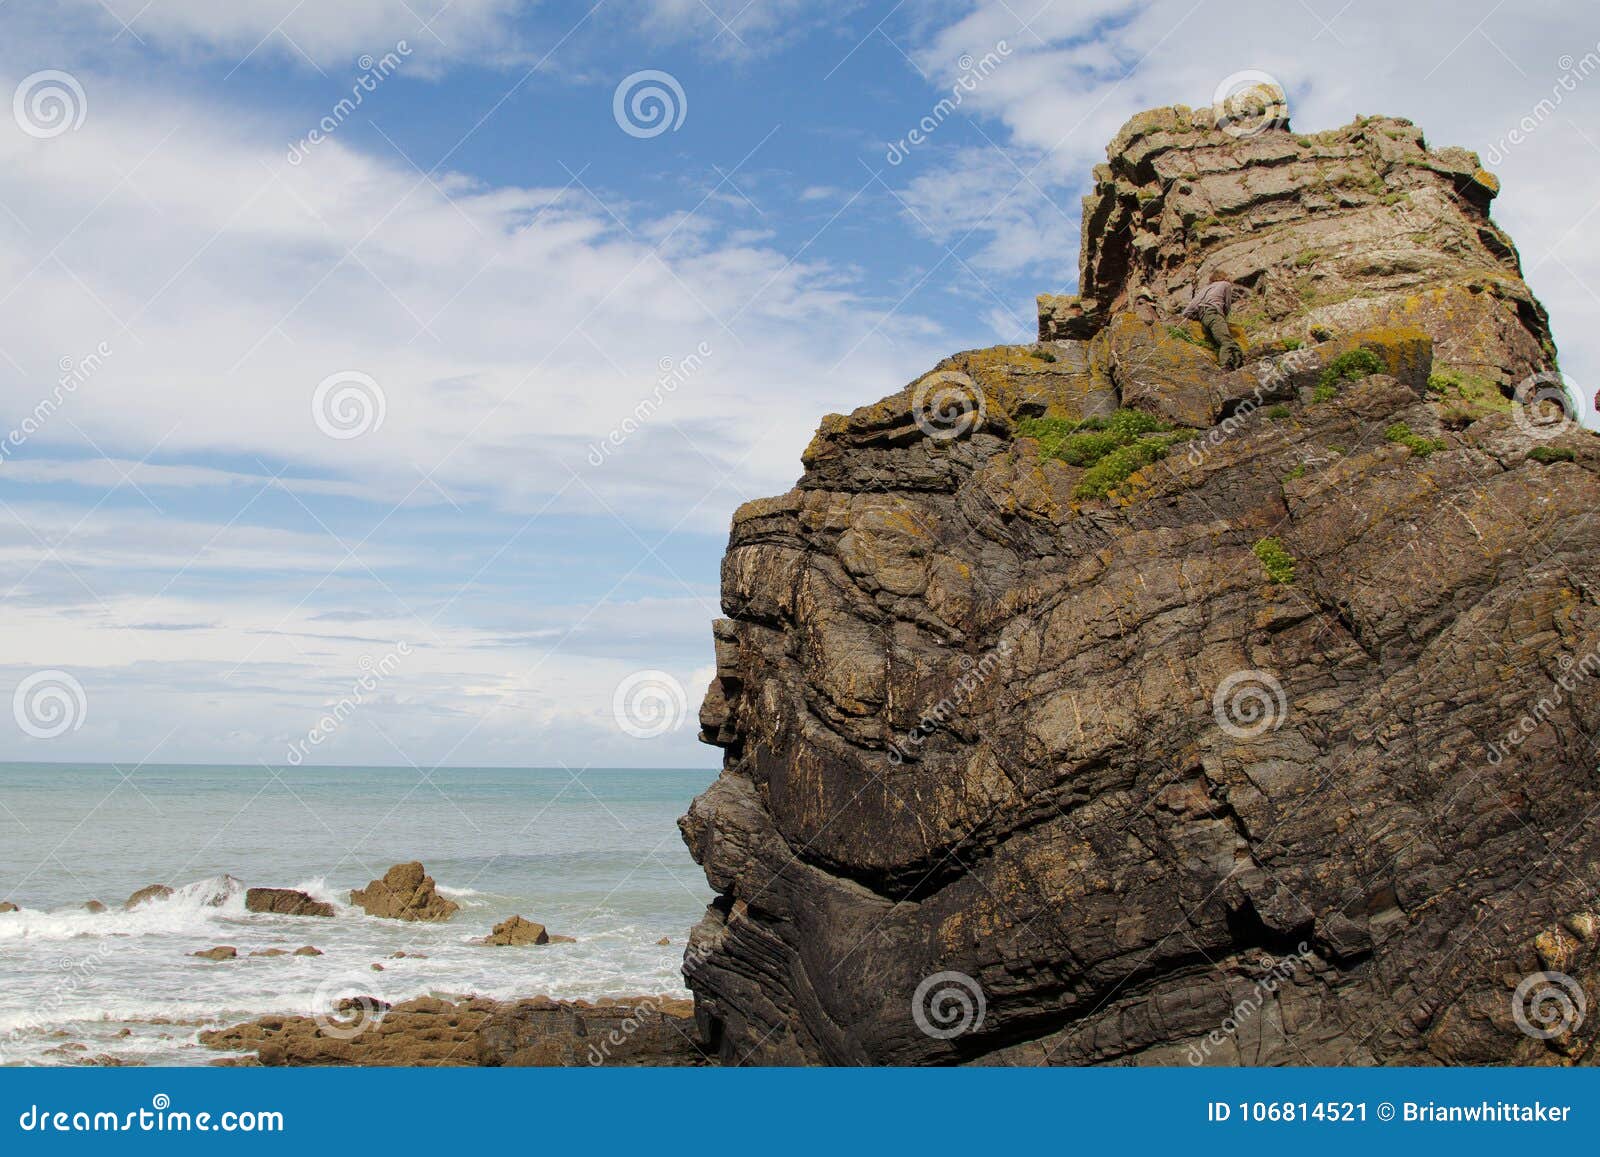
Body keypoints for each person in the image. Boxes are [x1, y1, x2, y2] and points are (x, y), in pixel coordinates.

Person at [1182, 272, 1246, 369]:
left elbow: (1188, 310)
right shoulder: (1225, 284)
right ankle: (1227, 367)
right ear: (1224, 277)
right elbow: (1227, 305)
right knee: (1227, 342)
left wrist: (1198, 316)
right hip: (1214, 314)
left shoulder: (1205, 289)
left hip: (1204, 318)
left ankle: (1236, 365)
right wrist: (1223, 318)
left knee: (1222, 342)